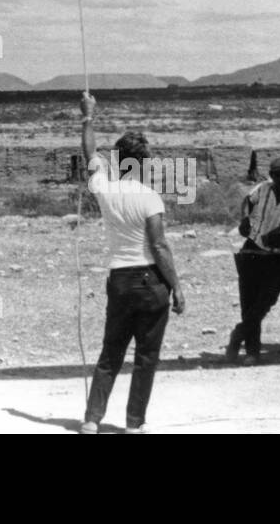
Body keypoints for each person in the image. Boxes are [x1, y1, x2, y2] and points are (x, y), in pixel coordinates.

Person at [78, 96, 185, 434]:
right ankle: (134, 424)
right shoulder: (149, 197)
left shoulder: (105, 190)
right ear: (142, 164)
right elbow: (159, 245)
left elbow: (89, 154)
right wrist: (177, 286)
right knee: (145, 357)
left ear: (119, 160)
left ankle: (92, 419)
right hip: (150, 281)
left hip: (119, 280)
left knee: (111, 352)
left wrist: (88, 116)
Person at [227, 156, 280, 364]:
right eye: (276, 176)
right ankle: (252, 352)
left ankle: (239, 334)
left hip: (278, 256)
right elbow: (247, 203)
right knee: (248, 304)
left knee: (266, 302)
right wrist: (245, 221)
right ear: (272, 176)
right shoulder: (262, 189)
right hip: (252, 250)